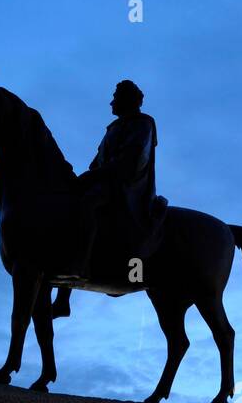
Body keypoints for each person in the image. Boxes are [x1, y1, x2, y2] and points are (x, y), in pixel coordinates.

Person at [54, 79, 168, 310]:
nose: (111, 102)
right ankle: (63, 299)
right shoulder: (113, 128)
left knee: (88, 204)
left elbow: (131, 160)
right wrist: (80, 178)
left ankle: (79, 266)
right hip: (107, 182)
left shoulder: (143, 124)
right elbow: (97, 162)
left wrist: (93, 176)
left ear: (128, 100)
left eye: (115, 98)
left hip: (126, 187)